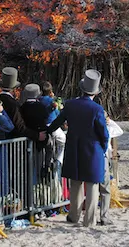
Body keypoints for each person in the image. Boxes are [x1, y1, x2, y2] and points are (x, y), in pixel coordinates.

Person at [46, 70, 108, 228]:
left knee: (75, 184)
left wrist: (45, 131)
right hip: (93, 150)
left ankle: (74, 215)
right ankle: (89, 220)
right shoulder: (97, 109)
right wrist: (103, 147)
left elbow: (57, 122)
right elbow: (103, 133)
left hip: (74, 148)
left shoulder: (70, 104)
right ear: (95, 92)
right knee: (92, 185)